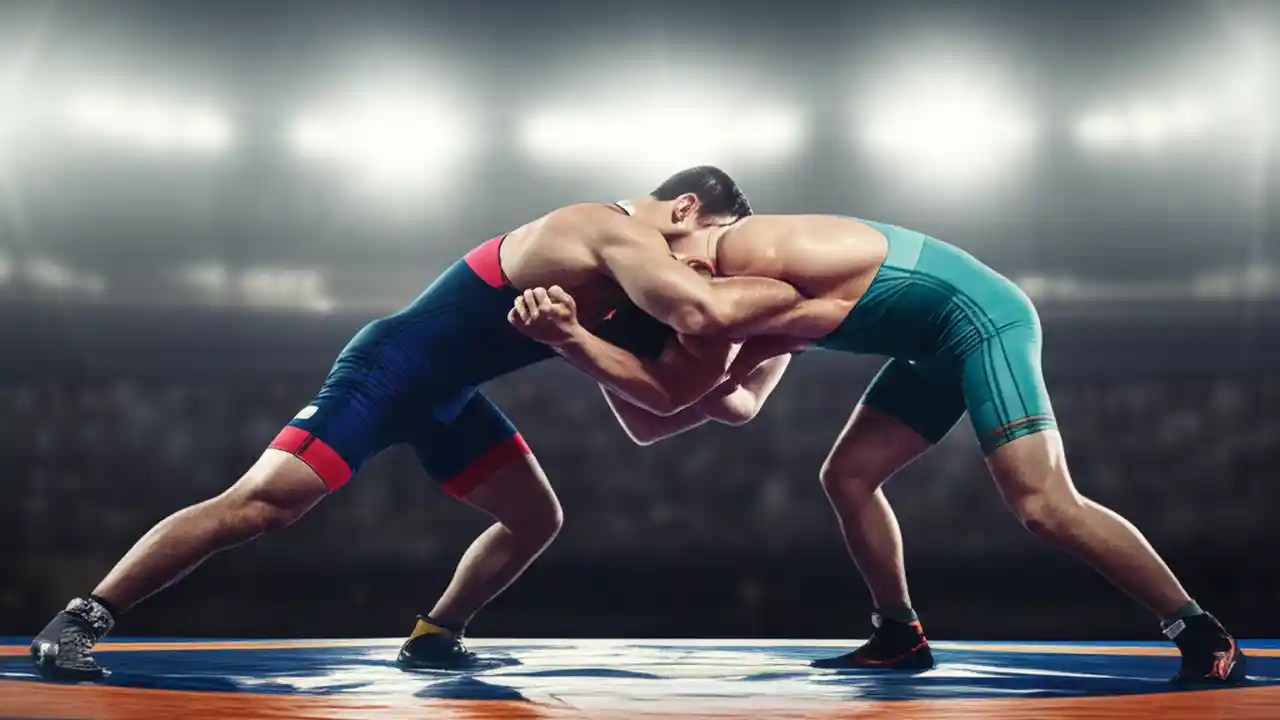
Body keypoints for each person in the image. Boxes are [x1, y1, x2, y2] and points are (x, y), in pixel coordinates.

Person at [30, 167, 826, 680]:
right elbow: (696, 318)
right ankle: (80, 618)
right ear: (686, 208)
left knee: (534, 517)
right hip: (393, 368)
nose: (709, 263)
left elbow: (665, 409)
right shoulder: (605, 230)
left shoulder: (627, 285)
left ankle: (435, 633)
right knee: (264, 505)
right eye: (712, 243)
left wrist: (731, 354)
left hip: (450, 394)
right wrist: (784, 309)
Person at [507, 213, 1246, 686]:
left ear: (691, 229)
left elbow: (686, 353)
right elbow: (700, 410)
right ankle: (899, 632)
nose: (654, 274)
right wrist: (576, 346)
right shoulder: (750, 311)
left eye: (657, 258)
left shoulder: (750, 250)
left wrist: (585, 331)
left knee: (1043, 506)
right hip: (930, 348)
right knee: (848, 475)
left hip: (981, 321)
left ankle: (1198, 626)